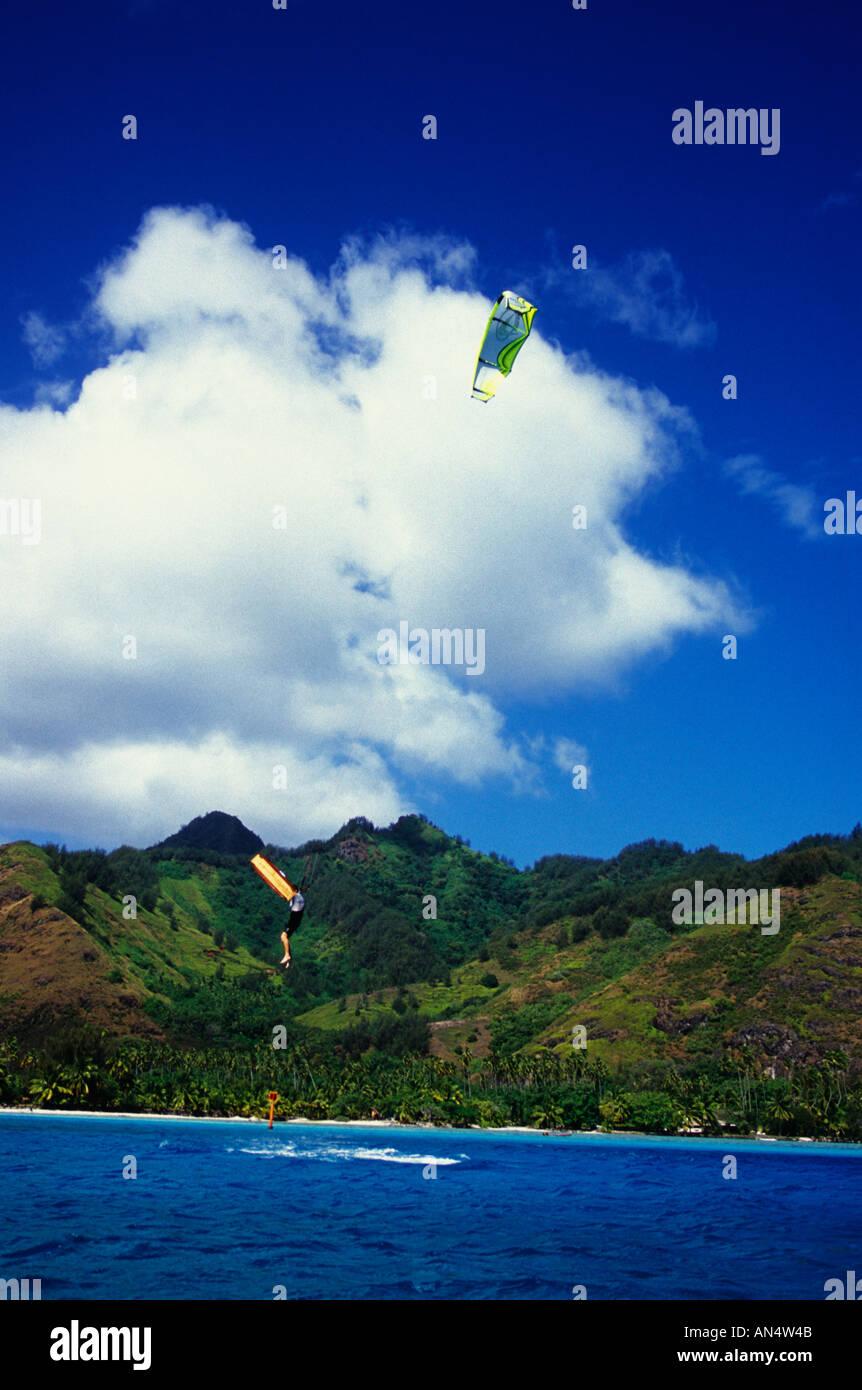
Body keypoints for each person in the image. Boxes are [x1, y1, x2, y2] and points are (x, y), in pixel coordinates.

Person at [279, 888, 305, 969]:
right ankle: (289, 958)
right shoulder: (299, 897)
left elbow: (291, 896)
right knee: (284, 938)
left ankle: (287, 955)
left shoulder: (296, 897)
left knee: (283, 937)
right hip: (295, 919)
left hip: (294, 919)